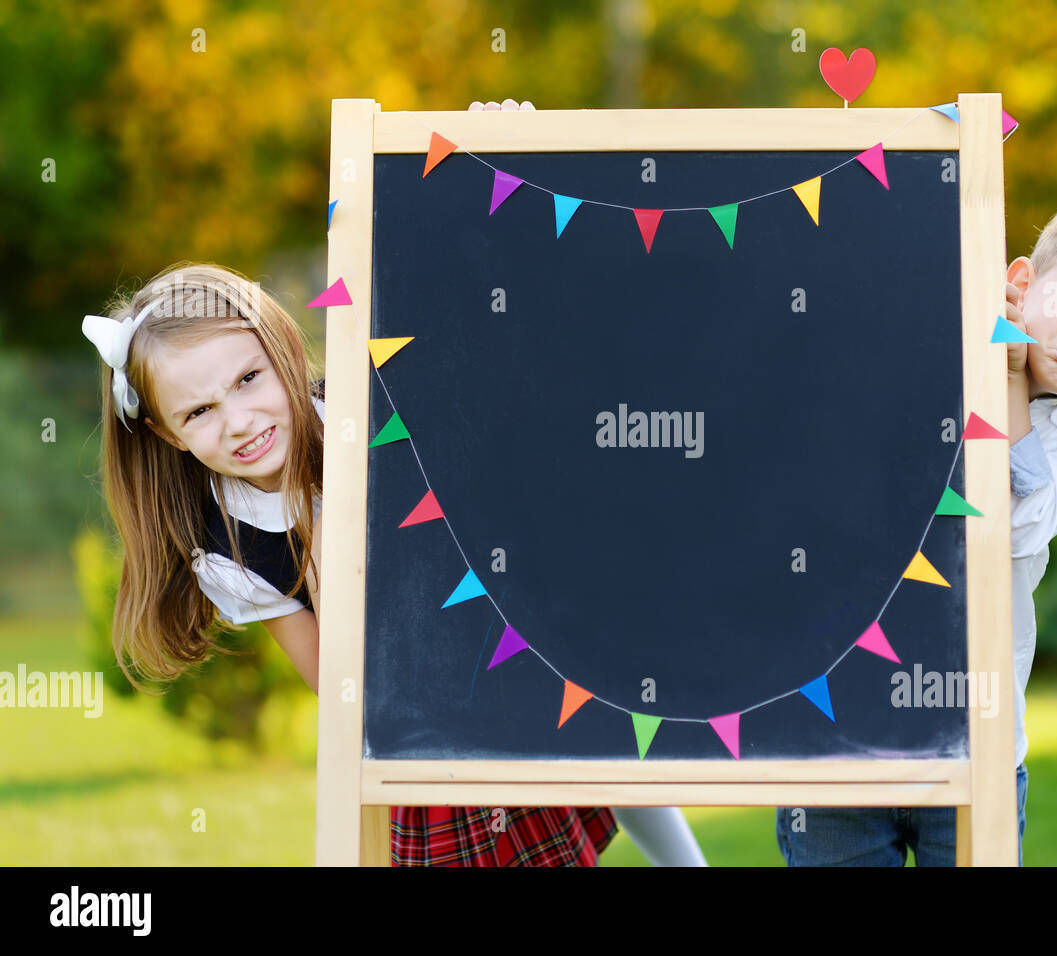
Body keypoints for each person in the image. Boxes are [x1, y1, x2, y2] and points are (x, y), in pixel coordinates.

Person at [83, 261, 704, 865]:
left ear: (286, 352)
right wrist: (327, 547)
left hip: (503, 627)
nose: (239, 422)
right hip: (420, 715)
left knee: (601, 736)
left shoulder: (375, 411)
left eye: (249, 379)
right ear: (167, 434)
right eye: (199, 412)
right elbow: (339, 689)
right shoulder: (227, 550)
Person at [776, 190, 1057, 866]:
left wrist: (1004, 380)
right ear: (1022, 285)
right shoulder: (928, 349)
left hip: (980, 742)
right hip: (843, 733)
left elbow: (1012, 532)